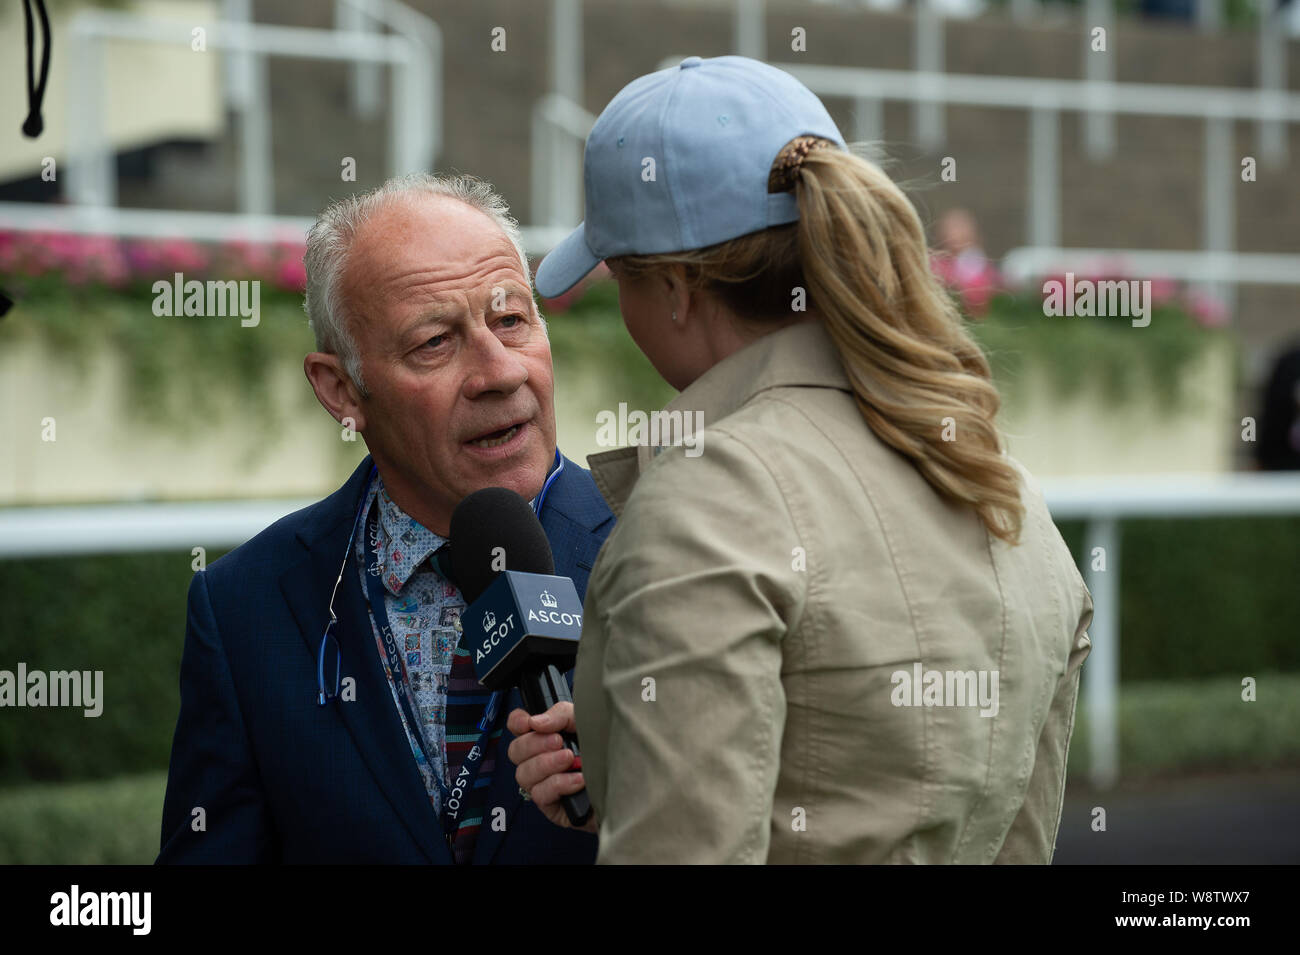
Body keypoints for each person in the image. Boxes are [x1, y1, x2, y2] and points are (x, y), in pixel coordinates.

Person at [508, 56, 1093, 863]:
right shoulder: (1002, 486)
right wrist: (627, 765)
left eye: (619, 276)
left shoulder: (707, 501)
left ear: (677, 287)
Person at [158, 174, 614, 864]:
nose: (498, 372)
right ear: (342, 388)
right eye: (435, 341)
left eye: (512, 320)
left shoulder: (658, 551)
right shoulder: (245, 608)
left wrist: (640, 811)